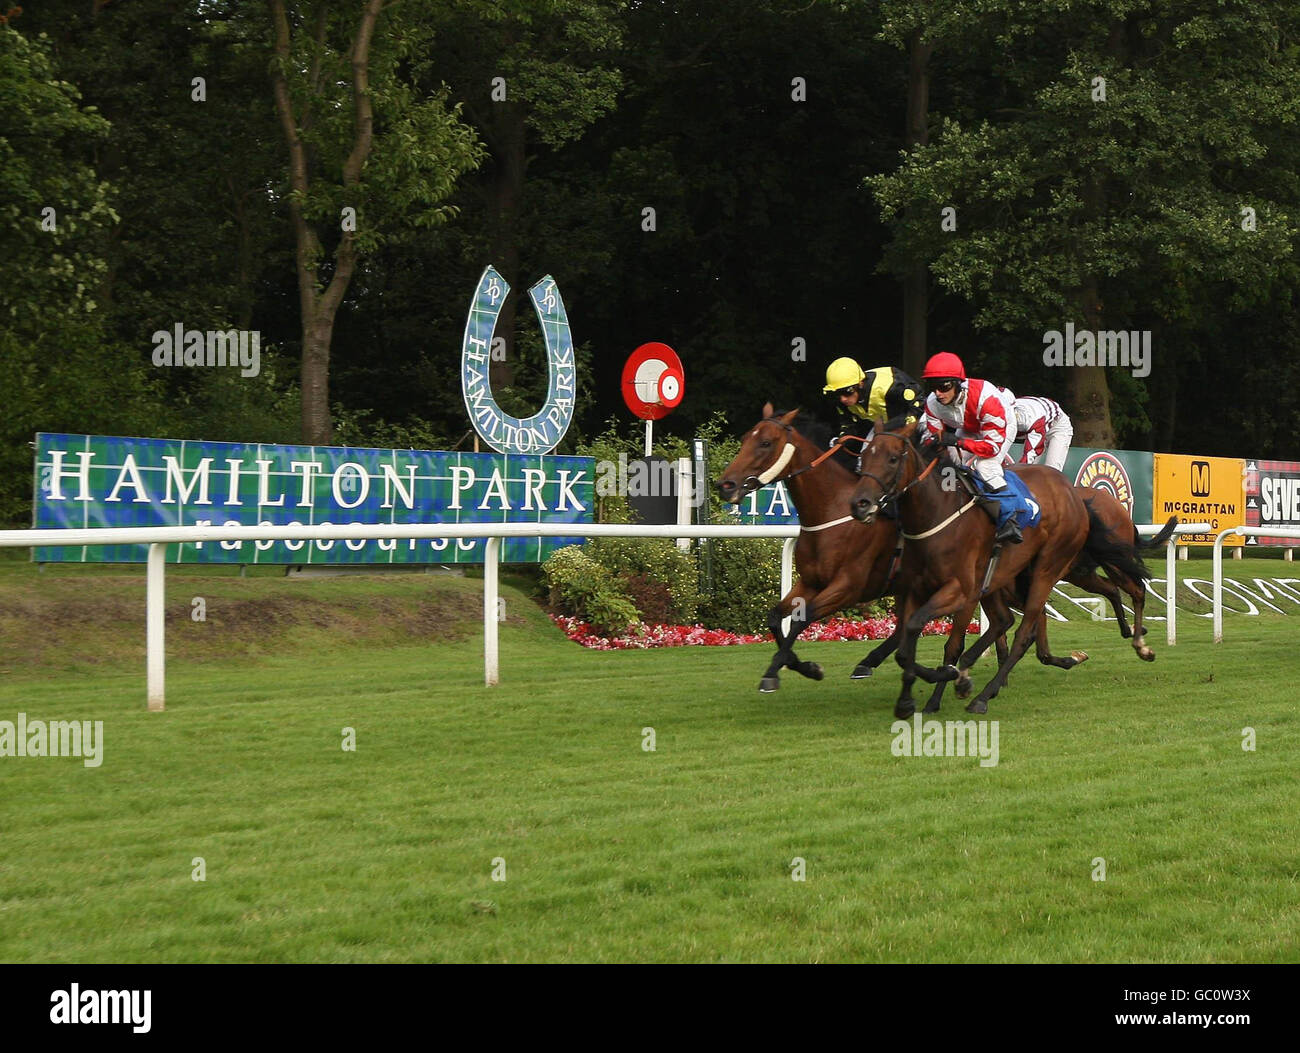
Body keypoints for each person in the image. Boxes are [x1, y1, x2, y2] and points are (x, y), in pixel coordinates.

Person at [919, 351, 1025, 544]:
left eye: (943, 387)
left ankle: (1010, 520)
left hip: (1001, 426)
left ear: (958, 383)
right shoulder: (932, 403)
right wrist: (936, 444)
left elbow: (991, 448)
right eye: (932, 387)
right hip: (969, 426)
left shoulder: (988, 400)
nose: (937, 393)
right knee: (953, 462)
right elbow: (934, 439)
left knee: (985, 467)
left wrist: (957, 441)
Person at [822, 358, 925, 454]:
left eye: (846, 392)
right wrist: (843, 439)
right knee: (864, 461)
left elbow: (918, 399)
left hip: (916, 418)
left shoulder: (889, 387)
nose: (843, 399)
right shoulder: (842, 403)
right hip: (885, 425)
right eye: (836, 394)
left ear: (860, 384)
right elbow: (848, 425)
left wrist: (907, 428)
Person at [1013, 395, 1073, 472]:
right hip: (1039, 421)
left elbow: (1031, 453)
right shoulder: (1000, 414)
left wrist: (1018, 473)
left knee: (1052, 469)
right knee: (1028, 467)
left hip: (1058, 426)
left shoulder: (1030, 420)